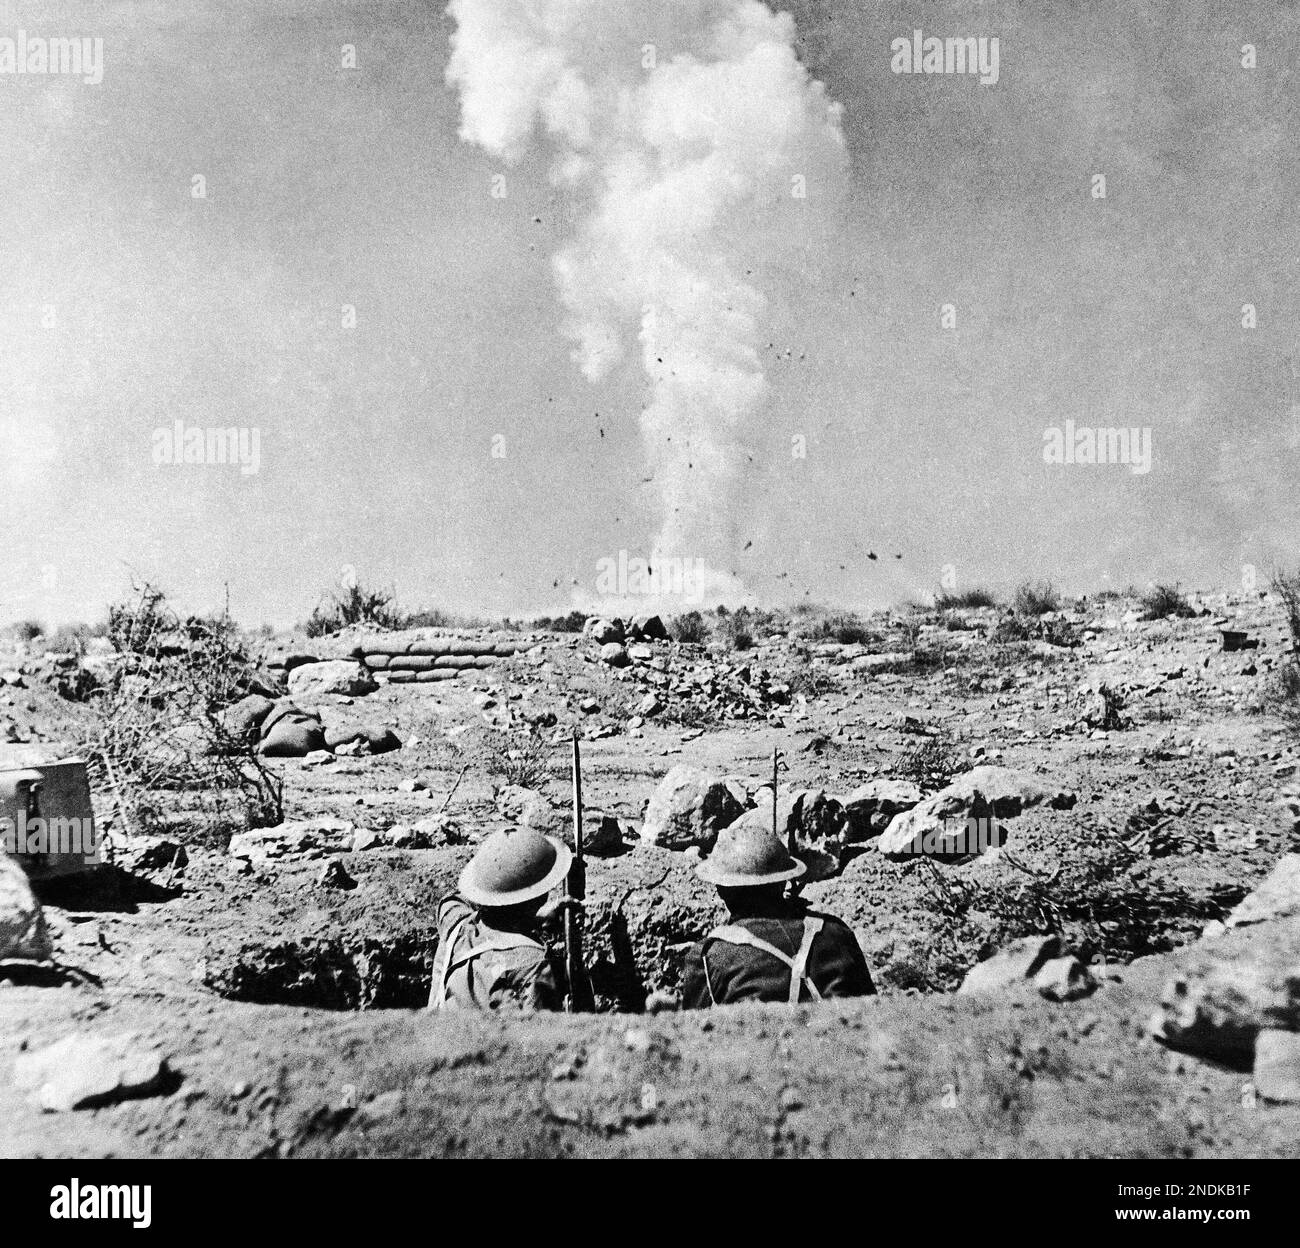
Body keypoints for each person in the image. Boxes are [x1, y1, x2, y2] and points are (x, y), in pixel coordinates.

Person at [682, 822, 876, 1009]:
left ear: (722, 890)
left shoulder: (709, 956)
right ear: (784, 880)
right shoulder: (835, 932)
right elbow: (875, 1013)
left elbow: (695, 1032)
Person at [428, 825, 578, 1012]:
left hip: (438, 1039)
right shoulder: (532, 961)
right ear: (540, 896)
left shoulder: (456, 925)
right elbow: (542, 1035)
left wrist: (532, 918)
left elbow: (453, 899)